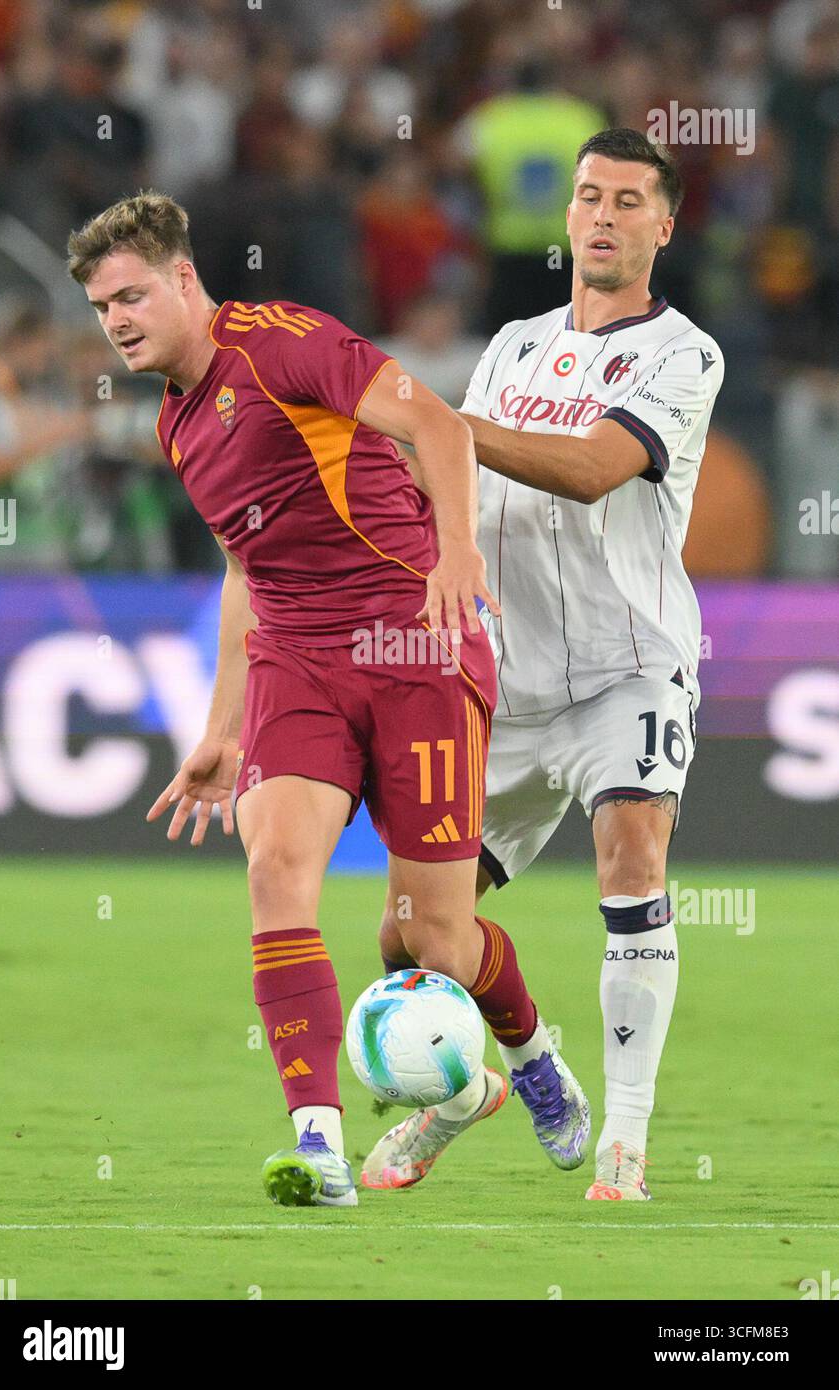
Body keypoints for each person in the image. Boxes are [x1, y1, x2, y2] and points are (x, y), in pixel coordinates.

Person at [66, 192, 590, 1208]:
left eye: (131, 296)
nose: (117, 320)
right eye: (98, 309)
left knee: (426, 940)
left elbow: (435, 423)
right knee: (275, 867)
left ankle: (526, 1060)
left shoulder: (284, 342)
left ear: (183, 280)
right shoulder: (176, 424)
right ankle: (317, 1144)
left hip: (414, 643)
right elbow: (240, 573)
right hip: (298, 659)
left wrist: (455, 552)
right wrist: (219, 729)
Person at [375, 128, 724, 1200]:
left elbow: (585, 470)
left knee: (630, 863)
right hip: (502, 686)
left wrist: (443, 424)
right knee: (406, 936)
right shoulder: (513, 346)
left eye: (627, 200)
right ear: (565, 215)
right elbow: (453, 482)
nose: (604, 215)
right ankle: (493, 1080)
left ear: (662, 226)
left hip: (628, 668)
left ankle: (622, 1140)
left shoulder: (684, 353)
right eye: (588, 196)